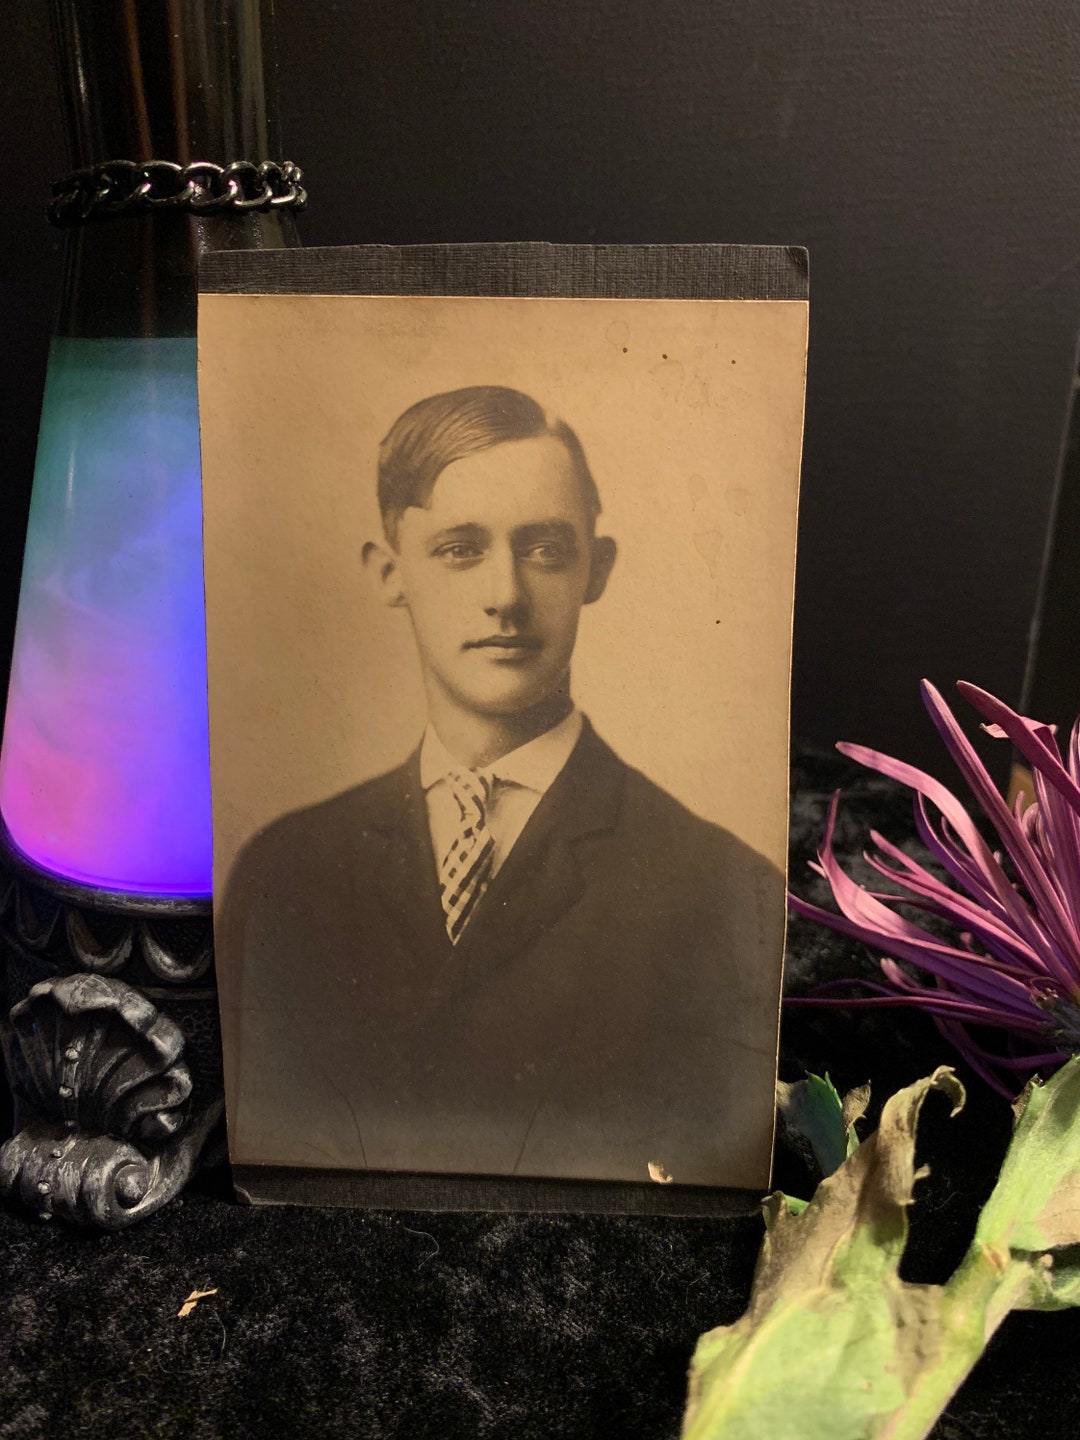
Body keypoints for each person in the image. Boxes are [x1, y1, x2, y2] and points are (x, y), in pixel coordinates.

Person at [219, 386, 782, 1191]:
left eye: (546, 549)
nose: (506, 596)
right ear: (390, 572)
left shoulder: (718, 888)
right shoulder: (284, 870)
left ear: (598, 568)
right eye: (459, 548)